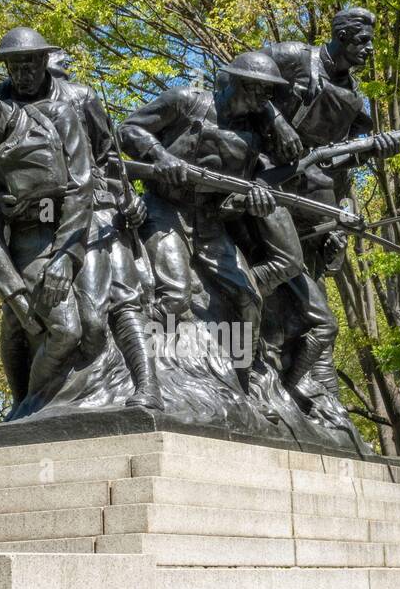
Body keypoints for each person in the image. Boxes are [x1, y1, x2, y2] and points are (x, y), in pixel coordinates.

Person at [0, 28, 161, 408]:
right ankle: (24, 406)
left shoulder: (80, 97)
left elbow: (108, 157)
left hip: (94, 208)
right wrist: (2, 202)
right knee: (20, 313)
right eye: (15, 66)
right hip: (32, 220)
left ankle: (148, 387)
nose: (24, 73)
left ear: (44, 60)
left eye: (30, 63)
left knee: (120, 299)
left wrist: (126, 198)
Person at [118, 51, 306, 388]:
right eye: (259, 91)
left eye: (268, 94)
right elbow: (128, 129)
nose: (265, 101)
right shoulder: (185, 101)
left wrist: (258, 199)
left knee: (249, 299)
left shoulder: (256, 134)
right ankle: (145, 373)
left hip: (210, 222)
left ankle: (241, 383)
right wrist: (159, 156)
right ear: (238, 83)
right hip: (165, 211)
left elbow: (255, 184)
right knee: (175, 296)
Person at [259, 7, 399, 399]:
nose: (369, 49)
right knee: (277, 275)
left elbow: (340, 159)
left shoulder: (353, 98)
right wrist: (277, 121)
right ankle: (264, 367)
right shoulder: (292, 56)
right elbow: (239, 76)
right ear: (341, 34)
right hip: (264, 177)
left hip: (311, 194)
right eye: (363, 40)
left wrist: (370, 151)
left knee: (310, 286)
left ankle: (307, 384)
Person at [0, 81, 91, 409]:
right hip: (30, 239)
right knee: (60, 329)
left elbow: (79, 187)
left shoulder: (56, 117)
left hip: (80, 228)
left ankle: (39, 403)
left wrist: (65, 257)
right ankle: (30, 404)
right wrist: (15, 296)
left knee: (97, 320)